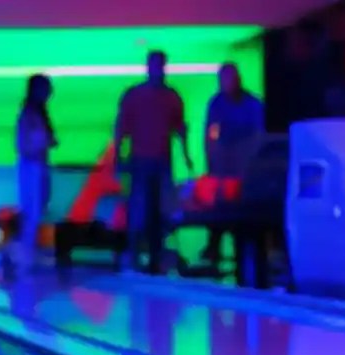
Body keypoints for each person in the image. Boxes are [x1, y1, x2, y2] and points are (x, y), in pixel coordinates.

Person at [113, 51, 192, 274]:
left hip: (160, 160)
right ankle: (136, 253)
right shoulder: (137, 96)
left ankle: (153, 254)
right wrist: (117, 156)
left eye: (160, 65)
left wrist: (186, 155)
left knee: (158, 210)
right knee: (140, 209)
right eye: (155, 65)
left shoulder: (170, 97)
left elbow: (179, 128)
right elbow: (121, 128)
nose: (158, 70)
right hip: (141, 160)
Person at [202, 62, 264, 268]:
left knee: (245, 210)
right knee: (220, 208)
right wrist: (212, 159)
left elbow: (259, 135)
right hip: (223, 169)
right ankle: (214, 247)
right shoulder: (216, 104)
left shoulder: (253, 105)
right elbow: (211, 134)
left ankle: (245, 250)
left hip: (245, 170)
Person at [10, 74, 57, 273]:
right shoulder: (31, 113)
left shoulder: (35, 112)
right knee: (32, 212)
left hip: (35, 164)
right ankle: (24, 256)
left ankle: (26, 254)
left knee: (34, 211)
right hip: (32, 165)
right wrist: (46, 141)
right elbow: (33, 141)